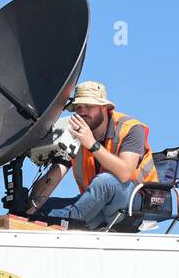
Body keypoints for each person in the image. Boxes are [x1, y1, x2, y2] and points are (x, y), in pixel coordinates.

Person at [28, 81, 158, 228]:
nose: (82, 112)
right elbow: (55, 175)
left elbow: (125, 173)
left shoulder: (131, 129)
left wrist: (91, 144)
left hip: (136, 201)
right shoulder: (76, 135)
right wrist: (32, 208)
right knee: (45, 208)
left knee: (105, 182)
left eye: (88, 106)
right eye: (78, 107)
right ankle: (56, 223)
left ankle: (68, 225)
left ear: (103, 107)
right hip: (99, 206)